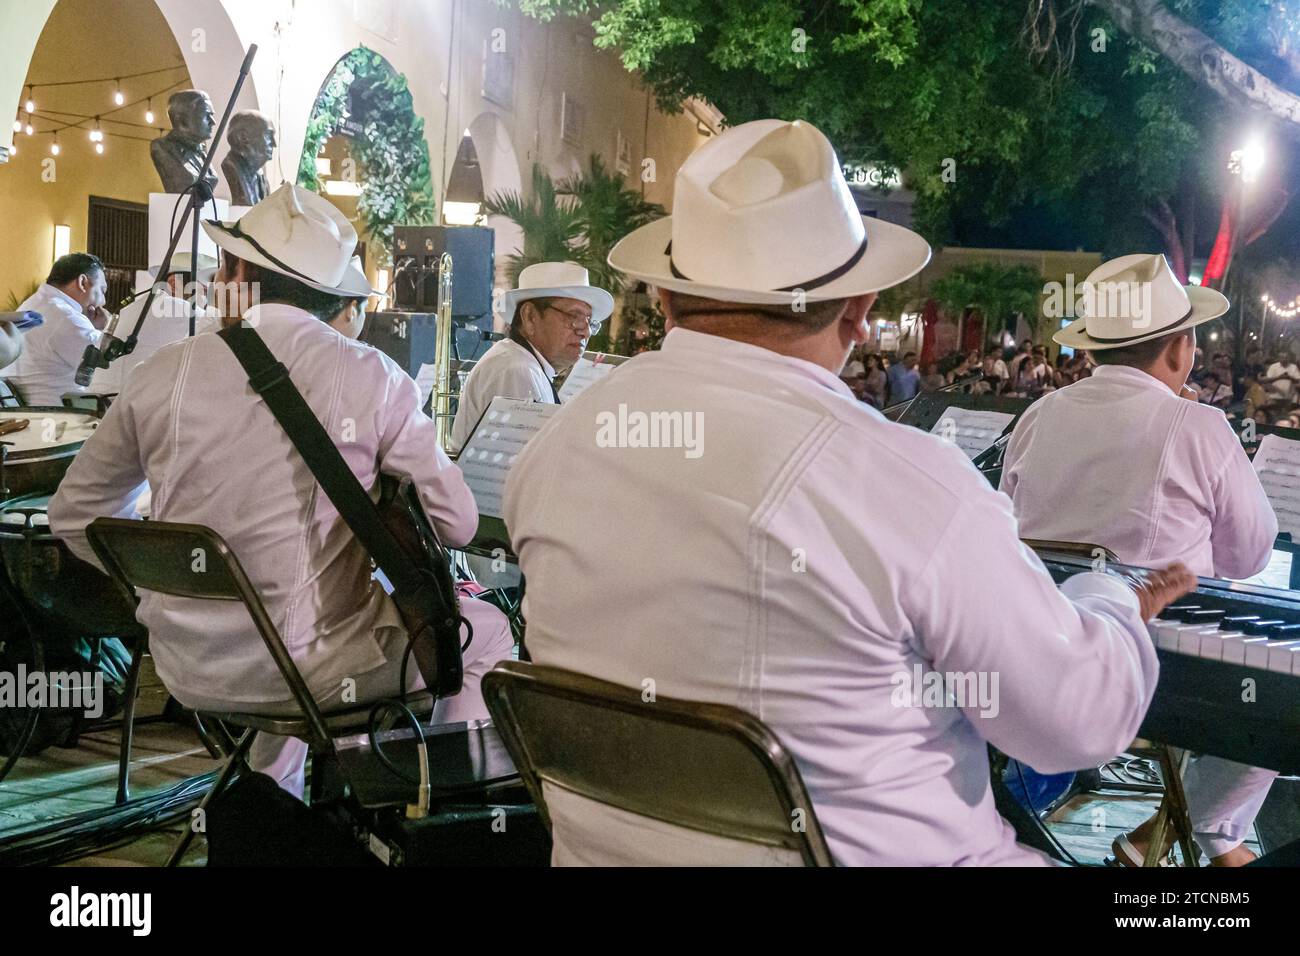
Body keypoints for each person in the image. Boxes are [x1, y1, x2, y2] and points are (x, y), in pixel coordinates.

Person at [503, 118, 1195, 866]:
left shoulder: (553, 453)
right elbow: (1077, 721)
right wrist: (1112, 602)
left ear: (667, 297)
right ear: (860, 310)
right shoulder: (910, 486)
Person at [49, 184, 514, 799]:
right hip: (309, 669)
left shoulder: (162, 373)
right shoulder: (372, 376)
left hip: (185, 663)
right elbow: (454, 524)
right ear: (328, 295)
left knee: (309, 615)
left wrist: (159, 573)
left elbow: (74, 514)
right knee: (488, 631)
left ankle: (273, 808)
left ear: (242, 273)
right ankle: (413, 807)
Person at [1001, 252, 1278, 867]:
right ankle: (1213, 828)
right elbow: (1252, 553)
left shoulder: (1038, 416)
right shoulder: (1197, 424)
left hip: (1042, 645)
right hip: (1159, 665)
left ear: (1095, 347)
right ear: (1181, 347)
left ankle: (1176, 832)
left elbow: (1005, 527)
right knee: (1278, 694)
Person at [448, 261, 612, 457]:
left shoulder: (519, 361)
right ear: (530, 317)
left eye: (589, 321)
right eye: (573, 316)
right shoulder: (517, 370)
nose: (585, 331)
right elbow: (535, 468)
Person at [87, 253, 218, 396]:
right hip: (132, 409)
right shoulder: (179, 310)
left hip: (106, 406)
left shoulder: (132, 309)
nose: (206, 299)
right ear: (174, 284)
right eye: (205, 291)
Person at [0, 253, 109, 406]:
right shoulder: (65, 317)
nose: (103, 301)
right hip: (59, 417)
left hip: (27, 414)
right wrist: (108, 328)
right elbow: (110, 369)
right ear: (83, 282)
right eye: (102, 290)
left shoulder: (36, 305)